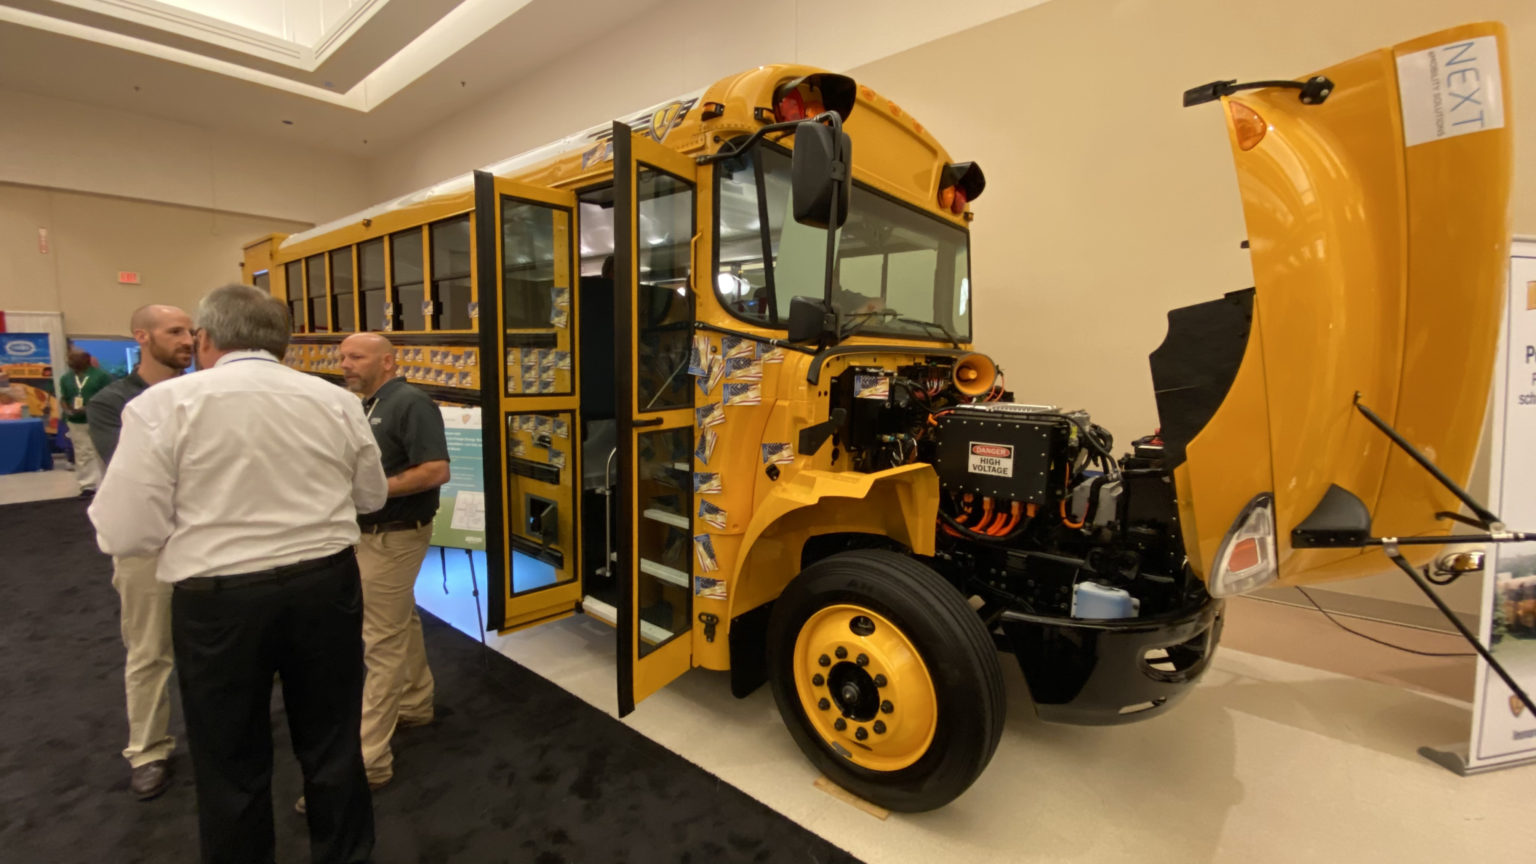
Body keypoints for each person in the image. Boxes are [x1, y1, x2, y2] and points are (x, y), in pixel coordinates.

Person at [88, 284, 387, 864]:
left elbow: (125, 533)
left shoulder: (161, 406)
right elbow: (370, 497)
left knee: (229, 759)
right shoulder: (336, 401)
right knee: (333, 743)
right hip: (325, 589)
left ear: (205, 338)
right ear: (285, 341)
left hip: (217, 601)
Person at [84, 304, 194, 801]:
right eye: (175, 332)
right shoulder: (112, 402)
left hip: (206, 541)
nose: (187, 340)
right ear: (141, 337)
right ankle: (148, 750)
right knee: (150, 650)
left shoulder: (199, 393)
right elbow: (134, 471)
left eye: (191, 331)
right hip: (147, 547)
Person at [334, 332, 449, 797]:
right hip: (367, 534)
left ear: (387, 362)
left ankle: (369, 760)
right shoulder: (363, 404)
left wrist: (372, 490)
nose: (345, 364)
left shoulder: (410, 403)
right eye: (342, 356)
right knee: (399, 620)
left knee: (379, 642)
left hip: (395, 536)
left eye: (356, 357)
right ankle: (416, 703)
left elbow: (435, 470)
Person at [59, 350, 113, 495]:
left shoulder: (102, 376)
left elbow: (109, 397)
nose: (69, 361)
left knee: (101, 452)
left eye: (73, 358)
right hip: (76, 421)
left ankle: (106, 485)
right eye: (69, 359)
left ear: (86, 359)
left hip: (99, 420)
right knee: (82, 453)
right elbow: (64, 398)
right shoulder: (66, 378)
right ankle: (87, 486)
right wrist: (67, 410)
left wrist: (89, 408)